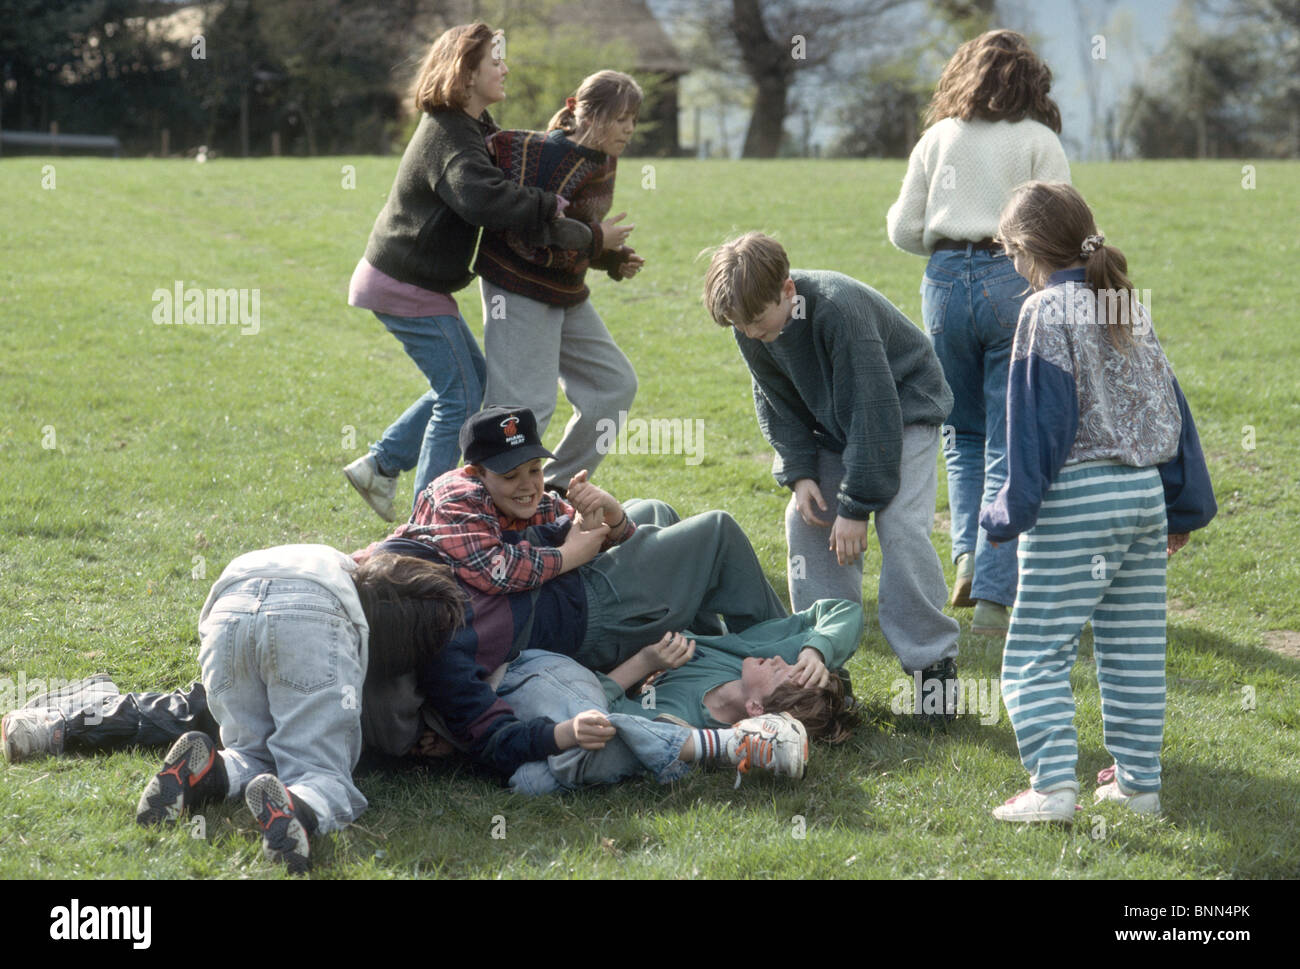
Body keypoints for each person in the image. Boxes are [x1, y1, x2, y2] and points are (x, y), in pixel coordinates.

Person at [981, 181, 1216, 823]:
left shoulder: (1043, 314)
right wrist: (1183, 504)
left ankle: (1053, 788)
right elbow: (1173, 409)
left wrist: (1008, 513)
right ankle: (1140, 788)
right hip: (1142, 497)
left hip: (1075, 501)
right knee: (1133, 647)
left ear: (1027, 249)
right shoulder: (1126, 306)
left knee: (1037, 650)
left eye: (1008, 252)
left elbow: (1038, 427)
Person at [383, 525, 861, 793]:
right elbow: (841, 612)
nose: (778, 661)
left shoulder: (690, 706)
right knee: (672, 519)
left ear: (758, 712)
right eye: (787, 662)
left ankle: (712, 744)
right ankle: (722, 749)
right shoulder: (753, 656)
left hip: (568, 685)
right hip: (566, 675)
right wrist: (818, 650)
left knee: (537, 780)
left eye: (782, 673)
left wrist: (642, 664)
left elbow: (604, 714)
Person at [703, 231, 962, 720]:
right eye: (741, 326)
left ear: (787, 291)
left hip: (902, 414)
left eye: (758, 321)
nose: (752, 333)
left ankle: (934, 674)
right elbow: (775, 402)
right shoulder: (751, 325)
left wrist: (856, 506)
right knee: (806, 523)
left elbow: (874, 410)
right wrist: (800, 472)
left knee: (900, 526)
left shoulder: (838, 311)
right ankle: (823, 668)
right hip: (835, 426)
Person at [342, 22, 593, 521]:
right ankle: (426, 522)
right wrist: (547, 205)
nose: (505, 68)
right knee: (460, 396)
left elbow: (501, 168)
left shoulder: (471, 126)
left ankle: (382, 464)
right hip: (404, 286)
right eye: (495, 61)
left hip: (411, 283)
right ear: (466, 71)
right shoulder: (449, 130)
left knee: (466, 385)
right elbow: (481, 198)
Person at [886, 29, 1071, 638]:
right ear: (1031, 81)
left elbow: (903, 229)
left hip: (942, 283)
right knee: (1005, 435)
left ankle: (966, 553)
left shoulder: (937, 138)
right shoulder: (1039, 141)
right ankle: (994, 594)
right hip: (1013, 278)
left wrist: (947, 237)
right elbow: (1061, 226)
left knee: (960, 433)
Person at [133, 546, 465, 872]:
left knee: (251, 750)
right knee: (321, 773)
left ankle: (208, 768)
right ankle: (297, 807)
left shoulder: (342, 560)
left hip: (227, 610)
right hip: (311, 617)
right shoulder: (356, 616)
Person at [477, 70, 645, 494]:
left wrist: (611, 257)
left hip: (564, 290)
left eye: (633, 119)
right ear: (579, 110)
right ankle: (481, 504)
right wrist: (596, 241)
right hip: (518, 284)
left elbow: (579, 227)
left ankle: (553, 490)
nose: (628, 128)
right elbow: (529, 231)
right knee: (524, 410)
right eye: (618, 117)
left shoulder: (604, 158)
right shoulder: (550, 156)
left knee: (613, 387)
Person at [378, 406, 633, 594]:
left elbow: (599, 537)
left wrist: (611, 513)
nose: (528, 485)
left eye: (535, 469)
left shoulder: (527, 499)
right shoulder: (457, 497)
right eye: (510, 475)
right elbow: (493, 571)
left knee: (652, 510)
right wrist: (569, 555)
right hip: (383, 596)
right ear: (476, 473)